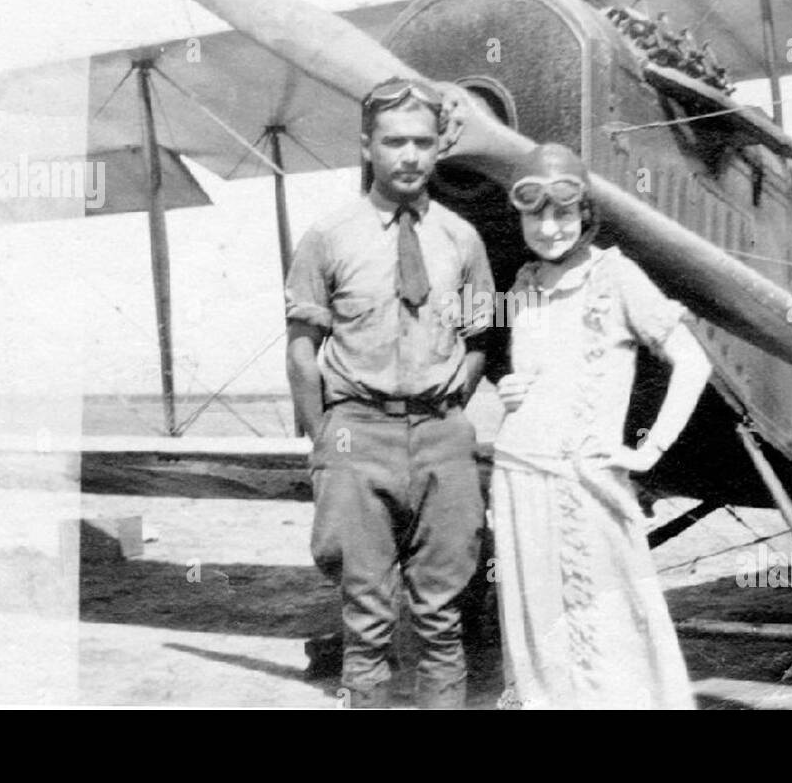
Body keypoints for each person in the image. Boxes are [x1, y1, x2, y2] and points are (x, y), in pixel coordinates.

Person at [284, 77, 495, 709]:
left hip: (441, 436)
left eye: (422, 143)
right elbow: (301, 347)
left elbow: (482, 335)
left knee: (443, 617)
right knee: (366, 621)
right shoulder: (329, 235)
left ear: (438, 150)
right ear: (367, 146)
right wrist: (326, 438)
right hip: (357, 433)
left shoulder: (462, 238)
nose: (409, 156)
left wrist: (460, 389)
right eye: (394, 141)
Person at [491, 143, 712, 709]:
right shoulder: (523, 282)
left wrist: (648, 451)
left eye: (563, 212)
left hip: (585, 484)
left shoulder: (616, 275)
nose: (549, 227)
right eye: (534, 214)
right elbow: (538, 375)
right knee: (540, 637)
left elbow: (693, 361)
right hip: (518, 478)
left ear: (585, 214)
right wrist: (509, 389)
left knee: (612, 633)